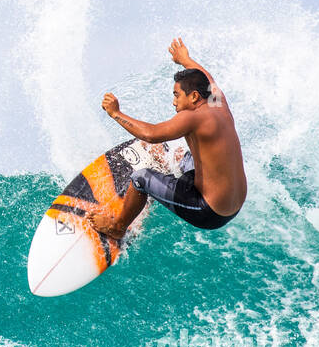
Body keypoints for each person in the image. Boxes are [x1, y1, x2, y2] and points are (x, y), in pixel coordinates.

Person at [87, 38, 246, 238]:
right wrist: (185, 59)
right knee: (176, 154)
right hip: (234, 203)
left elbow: (151, 134)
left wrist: (115, 113)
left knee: (141, 178)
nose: (174, 102)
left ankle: (117, 227)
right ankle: (160, 184)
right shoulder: (217, 101)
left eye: (177, 95)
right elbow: (207, 77)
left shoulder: (194, 117)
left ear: (194, 97)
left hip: (209, 211)